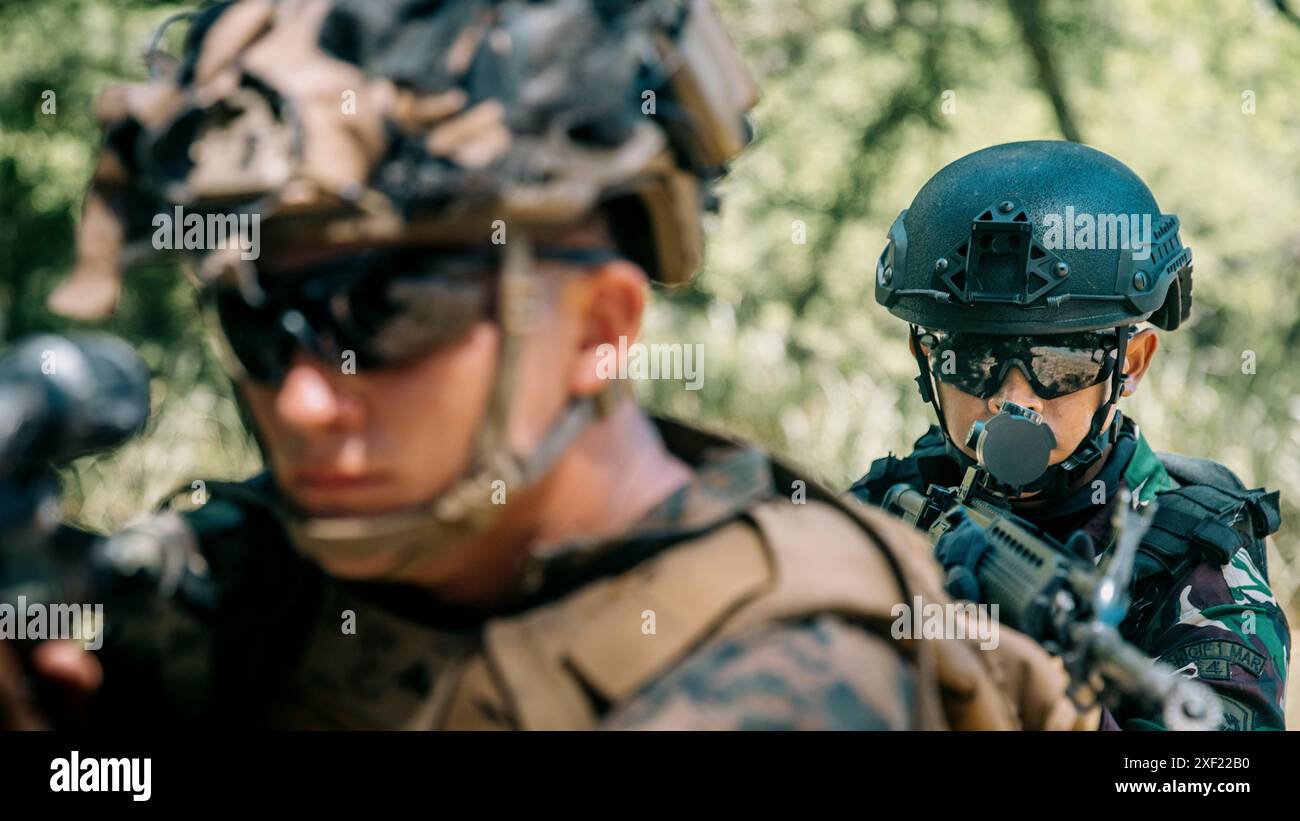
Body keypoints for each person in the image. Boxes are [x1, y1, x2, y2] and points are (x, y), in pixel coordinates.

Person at [1, 0, 1085, 731]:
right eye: (258, 315)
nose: (302, 394)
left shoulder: (795, 678)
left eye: (389, 310)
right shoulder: (268, 578)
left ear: (599, 327)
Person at [850, 140, 1289, 730]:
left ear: (1129, 363)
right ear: (925, 357)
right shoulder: (882, 506)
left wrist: (1055, 702)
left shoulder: (1197, 567)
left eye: (1058, 363)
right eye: (973, 357)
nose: (1012, 397)